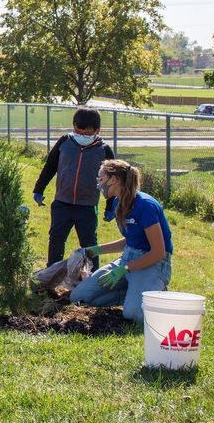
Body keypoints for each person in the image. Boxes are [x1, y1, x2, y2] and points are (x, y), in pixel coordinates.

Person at [70, 160, 173, 322]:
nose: (99, 184)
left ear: (114, 180)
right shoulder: (118, 202)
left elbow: (158, 252)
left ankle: (154, 290)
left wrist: (124, 269)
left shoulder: (145, 206)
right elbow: (130, 240)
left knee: (133, 315)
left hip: (153, 264)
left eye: (101, 179)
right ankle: (133, 290)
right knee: (80, 297)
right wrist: (95, 250)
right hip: (128, 259)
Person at [32, 107, 115, 267]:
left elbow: (112, 181)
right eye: (78, 132)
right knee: (56, 238)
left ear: (97, 131)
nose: (82, 136)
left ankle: (92, 278)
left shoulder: (103, 150)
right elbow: (50, 167)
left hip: (87, 206)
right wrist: (38, 189)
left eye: (87, 133)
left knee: (89, 243)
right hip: (62, 203)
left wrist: (110, 206)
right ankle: (51, 275)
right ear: (73, 127)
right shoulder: (64, 142)